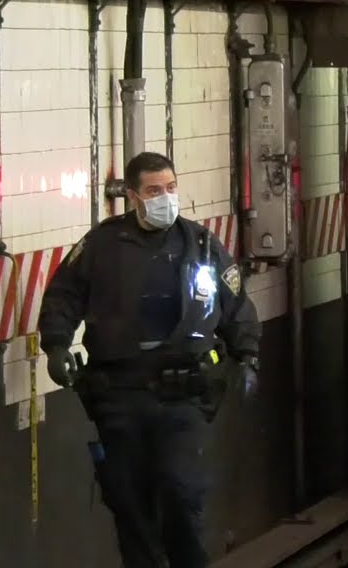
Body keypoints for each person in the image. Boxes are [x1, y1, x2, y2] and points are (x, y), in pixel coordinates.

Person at [38, 151, 261, 568]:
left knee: (182, 493)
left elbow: (236, 306)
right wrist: (55, 345)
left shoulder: (200, 244)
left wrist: (248, 356)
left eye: (171, 188)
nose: (166, 198)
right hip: (119, 395)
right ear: (132, 196)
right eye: (154, 190)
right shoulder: (102, 245)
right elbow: (63, 296)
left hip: (183, 395)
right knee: (129, 504)